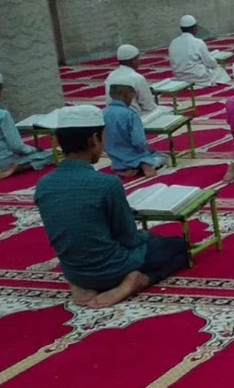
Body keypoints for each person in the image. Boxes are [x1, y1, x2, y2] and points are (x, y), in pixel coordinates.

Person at [34, 105, 190, 309]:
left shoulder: (43, 185)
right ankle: (132, 283)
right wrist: (147, 235)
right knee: (179, 247)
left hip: (74, 271)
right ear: (94, 139)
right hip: (113, 268)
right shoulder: (106, 184)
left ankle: (82, 284)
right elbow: (128, 238)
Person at [0, 70, 55, 179]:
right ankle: (18, 167)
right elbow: (17, 146)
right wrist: (33, 149)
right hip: (9, 160)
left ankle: (0, 169)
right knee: (51, 155)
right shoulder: (1, 114)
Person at [103, 84, 167, 179]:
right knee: (163, 157)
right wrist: (144, 151)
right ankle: (145, 164)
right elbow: (139, 142)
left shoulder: (102, 113)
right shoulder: (130, 115)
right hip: (134, 156)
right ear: (127, 95)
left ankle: (123, 168)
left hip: (115, 159)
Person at [168, 14, 232, 87]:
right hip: (197, 76)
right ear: (194, 28)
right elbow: (210, 63)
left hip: (180, 77)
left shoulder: (173, 42)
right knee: (219, 70)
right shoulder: (198, 42)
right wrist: (214, 62)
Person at [104, 45, 159, 115]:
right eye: (137, 59)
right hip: (135, 116)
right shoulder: (137, 78)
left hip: (113, 114)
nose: (139, 61)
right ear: (132, 61)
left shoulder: (110, 76)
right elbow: (148, 106)